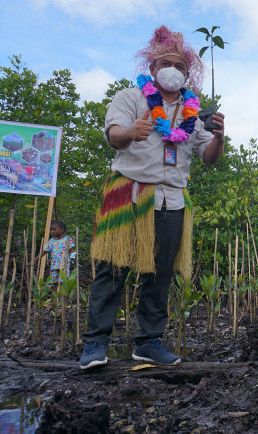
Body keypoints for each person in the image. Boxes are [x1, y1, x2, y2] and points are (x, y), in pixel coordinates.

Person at [79, 25, 226, 370]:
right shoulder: (131, 98)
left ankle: (148, 342)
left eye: (179, 66)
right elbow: (114, 136)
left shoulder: (193, 111)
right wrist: (132, 131)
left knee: (160, 274)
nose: (172, 70)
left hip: (172, 199)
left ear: (187, 73)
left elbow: (209, 157)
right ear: (152, 68)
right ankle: (95, 343)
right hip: (129, 193)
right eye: (165, 64)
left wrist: (220, 137)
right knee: (113, 269)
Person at [39, 220, 75, 290]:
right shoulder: (51, 241)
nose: (52, 231)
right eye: (51, 230)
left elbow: (71, 250)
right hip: (54, 266)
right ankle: (55, 296)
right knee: (55, 283)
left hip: (64, 266)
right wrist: (35, 260)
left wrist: (72, 257)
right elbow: (45, 251)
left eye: (54, 229)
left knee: (63, 282)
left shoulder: (67, 239)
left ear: (61, 230)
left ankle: (62, 296)